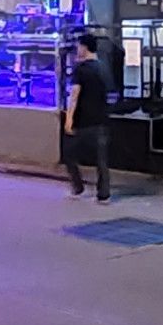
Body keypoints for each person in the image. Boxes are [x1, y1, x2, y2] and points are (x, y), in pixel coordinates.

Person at [61, 32, 111, 202]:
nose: (77, 49)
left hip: (82, 120)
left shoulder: (80, 70)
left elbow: (74, 95)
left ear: (84, 47)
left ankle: (77, 186)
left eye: (78, 46)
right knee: (101, 160)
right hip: (101, 119)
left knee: (68, 154)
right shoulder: (104, 67)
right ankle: (103, 193)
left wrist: (69, 118)